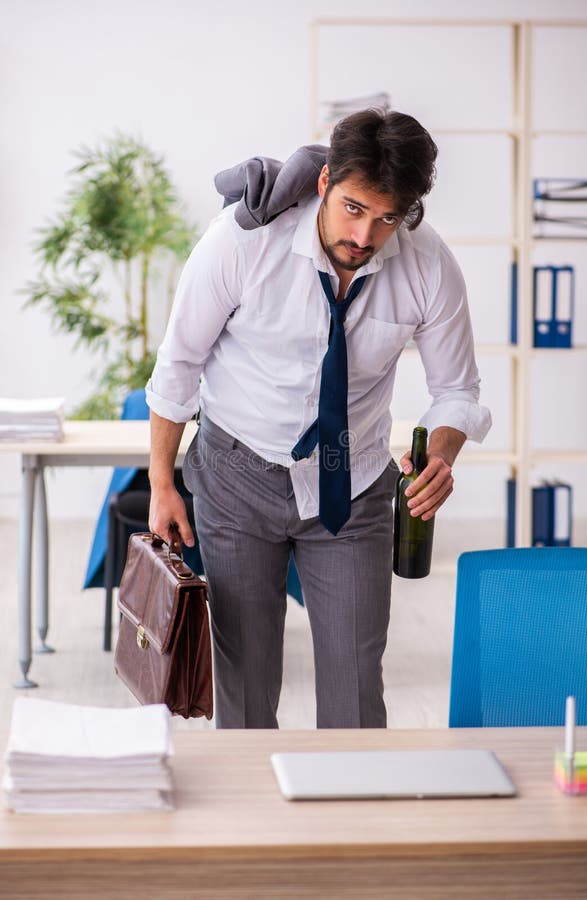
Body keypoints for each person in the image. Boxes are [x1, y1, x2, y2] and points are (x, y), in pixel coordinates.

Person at [145, 108, 491, 729]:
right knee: (245, 685)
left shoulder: (428, 264)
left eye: (387, 218)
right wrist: (161, 482)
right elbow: (178, 364)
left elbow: (457, 389)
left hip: (353, 484)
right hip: (236, 473)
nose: (364, 234)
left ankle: (350, 797)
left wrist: (441, 454)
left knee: (356, 687)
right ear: (326, 181)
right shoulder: (244, 241)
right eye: (353, 208)